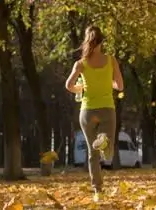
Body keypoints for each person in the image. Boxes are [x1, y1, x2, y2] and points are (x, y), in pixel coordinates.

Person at [65, 25, 124, 202]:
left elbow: (68, 85)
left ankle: (97, 190)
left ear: (87, 41)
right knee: (108, 153)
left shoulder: (80, 63)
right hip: (107, 109)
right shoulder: (111, 60)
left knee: (92, 154)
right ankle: (104, 139)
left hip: (87, 112)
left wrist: (80, 88)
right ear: (102, 41)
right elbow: (120, 86)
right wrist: (110, 84)